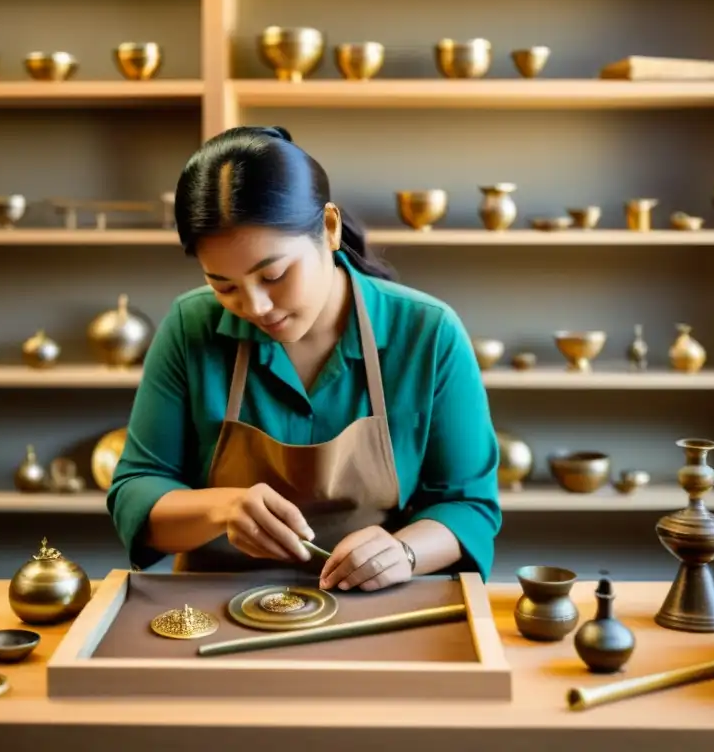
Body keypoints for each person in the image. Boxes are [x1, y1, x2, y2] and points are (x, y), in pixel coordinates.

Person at [108, 125, 502, 593]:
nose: (254, 307)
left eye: (273, 275)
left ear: (329, 228)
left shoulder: (427, 331)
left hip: (375, 600)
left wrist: (405, 551)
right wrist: (222, 509)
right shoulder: (190, 326)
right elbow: (136, 489)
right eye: (224, 286)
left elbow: (468, 505)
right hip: (215, 604)